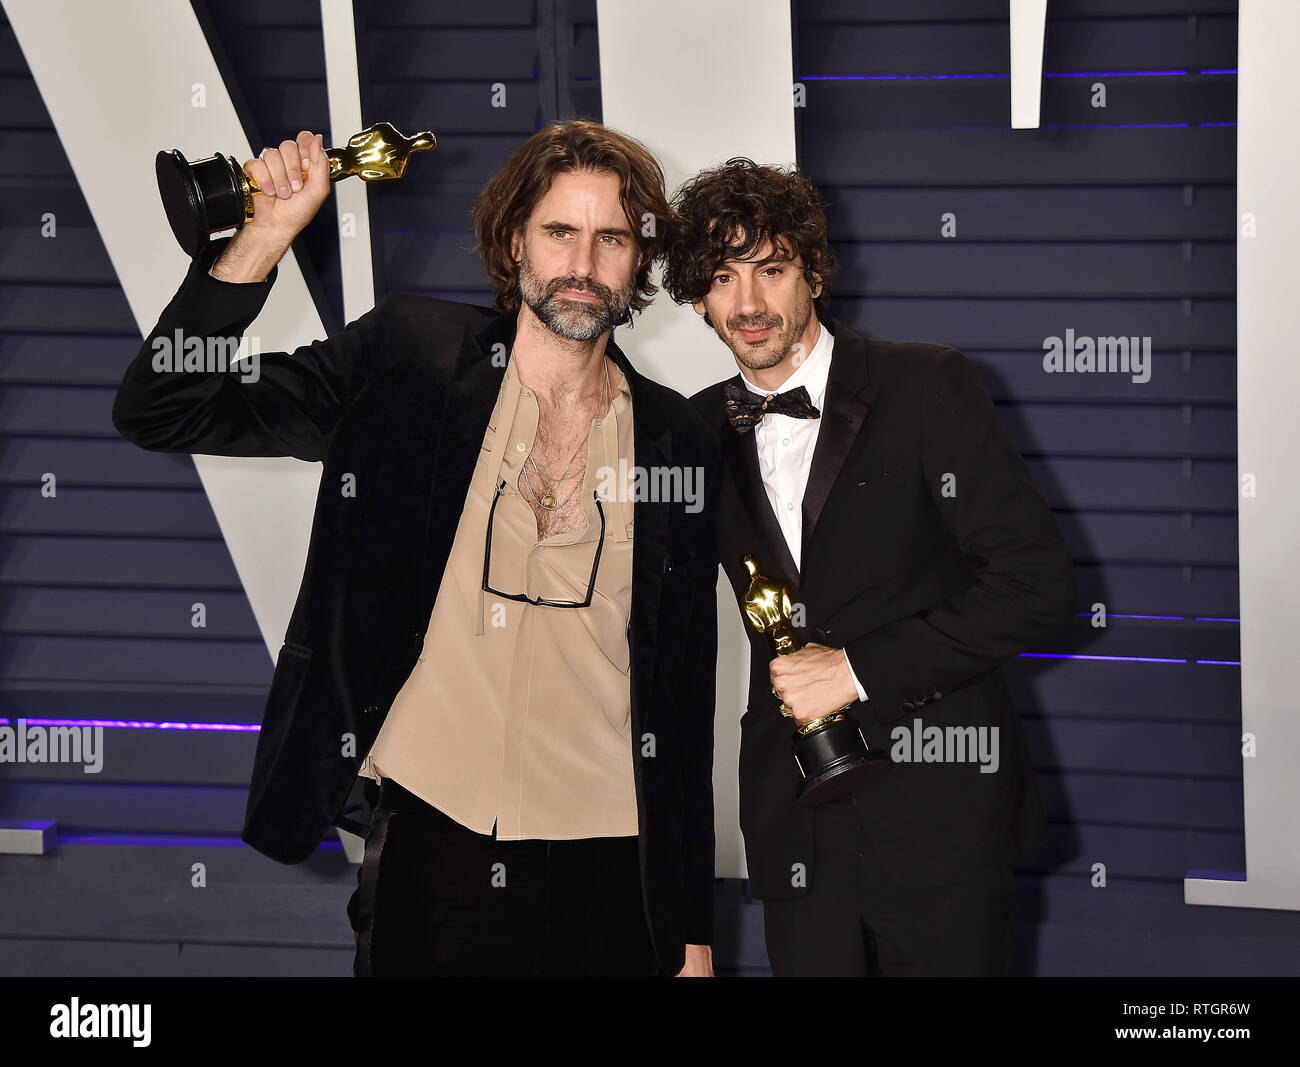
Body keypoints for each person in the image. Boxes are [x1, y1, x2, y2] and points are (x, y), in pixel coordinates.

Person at [112, 120, 720, 977]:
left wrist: (690, 931)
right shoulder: (410, 359)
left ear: (637, 259)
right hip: (433, 854)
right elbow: (161, 409)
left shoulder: (677, 437)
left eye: (612, 237)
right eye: (559, 231)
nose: (584, 262)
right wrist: (263, 238)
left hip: (613, 866)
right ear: (516, 243)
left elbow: (682, 695)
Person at [665, 158, 1076, 976]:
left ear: (814, 272)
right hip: (795, 830)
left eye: (771, 270)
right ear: (697, 296)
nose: (747, 304)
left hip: (941, 816)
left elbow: (1040, 587)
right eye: (720, 277)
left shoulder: (927, 384)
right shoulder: (693, 431)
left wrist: (855, 669)